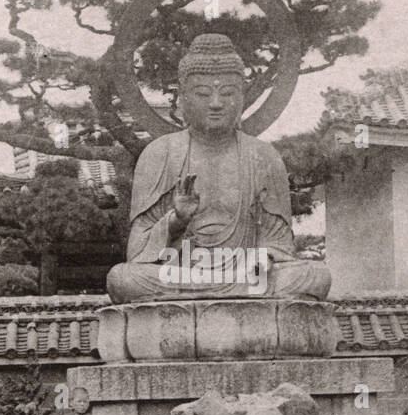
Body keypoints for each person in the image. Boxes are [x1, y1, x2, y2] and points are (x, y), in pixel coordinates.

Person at [105, 33, 331, 302]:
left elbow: (278, 243)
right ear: (183, 98)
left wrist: (262, 260)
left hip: (245, 272)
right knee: (122, 279)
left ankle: (209, 294)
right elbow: (138, 251)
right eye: (202, 93)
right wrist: (177, 220)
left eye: (227, 93)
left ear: (242, 99)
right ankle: (230, 293)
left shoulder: (263, 156)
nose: (215, 103)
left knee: (315, 276)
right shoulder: (159, 154)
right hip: (183, 271)